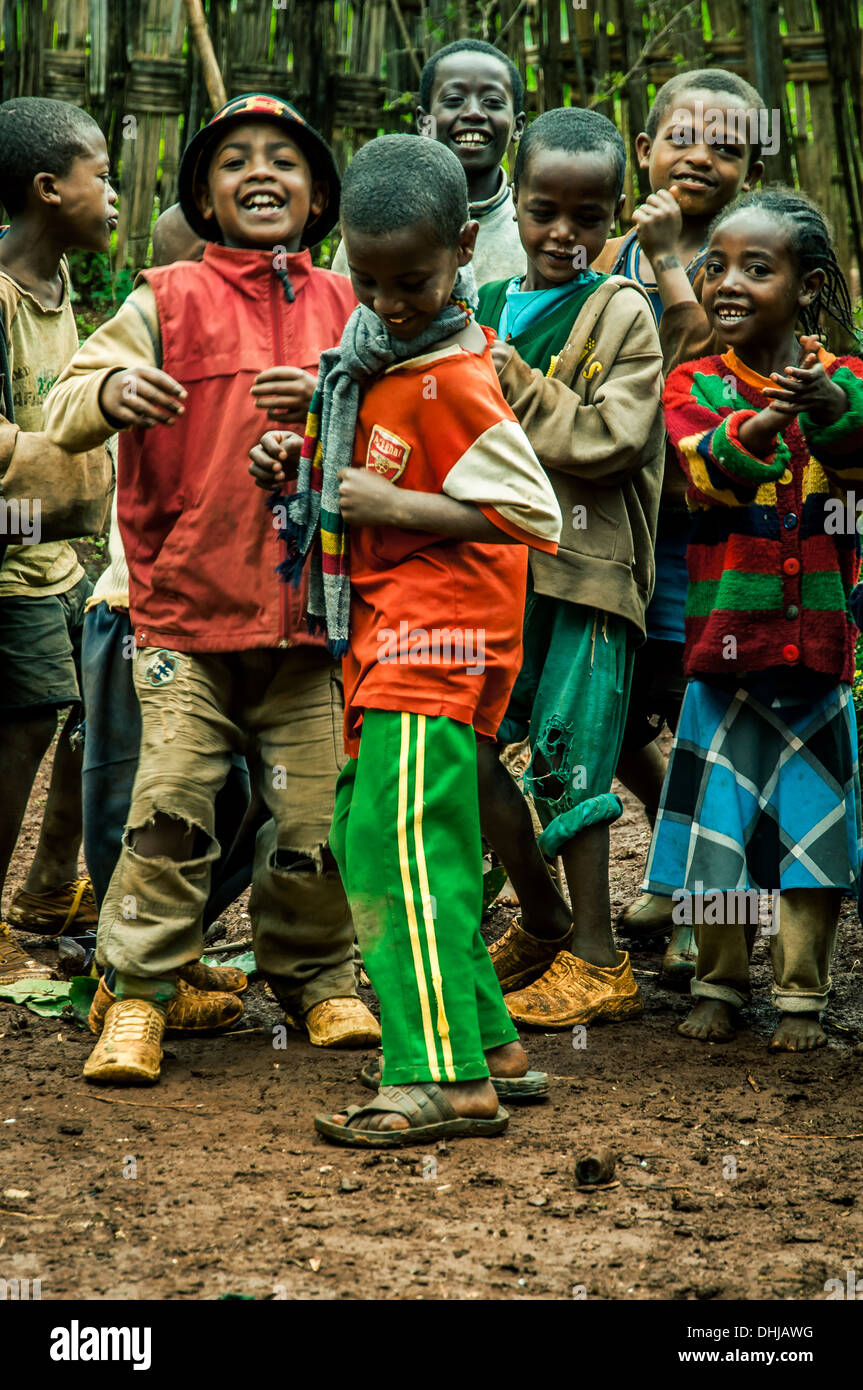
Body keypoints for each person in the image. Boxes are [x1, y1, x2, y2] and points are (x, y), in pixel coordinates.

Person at [44, 93, 381, 1085]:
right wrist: (109, 393)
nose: (260, 172)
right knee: (169, 816)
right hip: (185, 620)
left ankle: (318, 982)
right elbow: (64, 405)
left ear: (319, 195)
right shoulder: (164, 297)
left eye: (284, 157)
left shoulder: (350, 307)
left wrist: (324, 414)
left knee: (314, 823)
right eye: (235, 161)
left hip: (310, 625)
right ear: (203, 195)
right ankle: (139, 997)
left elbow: (399, 431)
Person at [252, 133, 561, 1145]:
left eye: (412, 280)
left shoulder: (456, 374)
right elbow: (362, 440)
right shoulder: (383, 361)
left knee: (400, 848)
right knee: (399, 837)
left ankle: (440, 1074)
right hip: (390, 640)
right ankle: (487, 1040)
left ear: (465, 247)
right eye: (369, 278)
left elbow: (529, 512)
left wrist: (393, 501)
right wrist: (291, 452)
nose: (387, 301)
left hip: (438, 641)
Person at [645, 189, 863, 1052]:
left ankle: (801, 999)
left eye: (753, 269)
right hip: (722, 663)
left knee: (815, 838)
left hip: (816, 659)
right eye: (715, 267)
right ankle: (719, 983)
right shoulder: (692, 383)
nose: (725, 283)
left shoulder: (847, 384)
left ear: (807, 287)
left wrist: (826, 408)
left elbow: (857, 461)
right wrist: (775, 413)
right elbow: (710, 472)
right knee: (717, 838)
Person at [474, 107, 665, 1030]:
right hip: (493, 573)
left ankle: (599, 955)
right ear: (518, 207)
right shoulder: (485, 304)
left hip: (588, 578)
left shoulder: (623, 311)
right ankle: (542, 916)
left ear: (616, 216)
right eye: (544, 211)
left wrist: (515, 381)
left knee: (570, 762)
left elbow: (612, 439)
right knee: (462, 745)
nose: (563, 235)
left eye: (587, 218)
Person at [594, 70, 766, 980]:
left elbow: (701, 367)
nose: (700, 154)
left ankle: (710, 911)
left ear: (751, 167)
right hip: (622, 532)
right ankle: (674, 848)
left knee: (704, 713)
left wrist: (670, 263)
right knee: (618, 717)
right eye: (682, 136)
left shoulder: (754, 259)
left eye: (726, 144)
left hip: (712, 539)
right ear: (643, 149)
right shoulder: (603, 256)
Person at [79, 203, 254, 1031]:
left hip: (229, 619)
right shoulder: (143, 341)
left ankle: (169, 952)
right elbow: (71, 408)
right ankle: (122, 981)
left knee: (233, 797)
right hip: (134, 609)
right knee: (132, 804)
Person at [0, 97, 117, 985]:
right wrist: (83, 486)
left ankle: (48, 889)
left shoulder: (60, 286)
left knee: (91, 713)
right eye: (101, 176)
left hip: (65, 555)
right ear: (49, 189)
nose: (112, 195)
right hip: (14, 564)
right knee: (29, 725)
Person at [332, 38, 526, 287]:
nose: (474, 113)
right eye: (454, 99)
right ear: (425, 123)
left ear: (518, 126)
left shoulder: (529, 233)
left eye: (493, 102)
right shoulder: (380, 219)